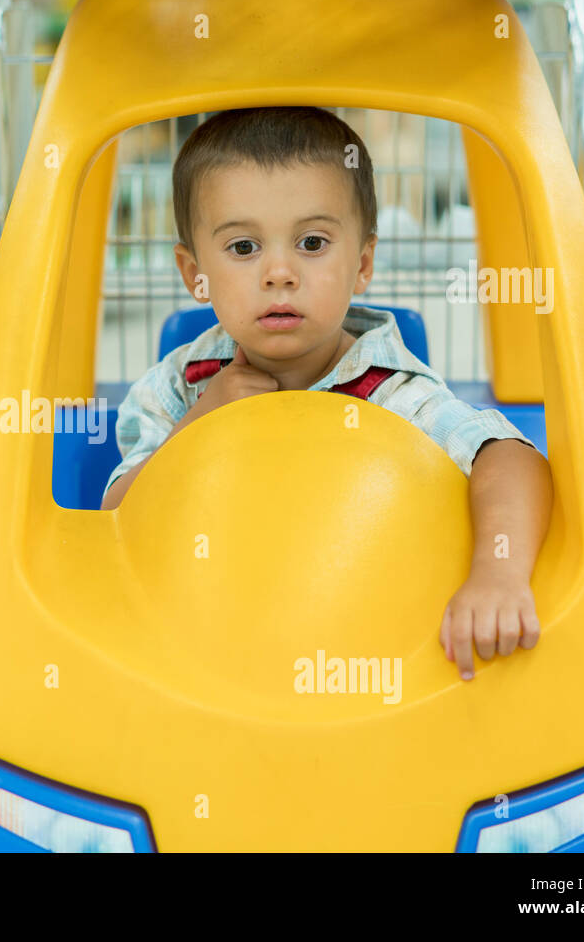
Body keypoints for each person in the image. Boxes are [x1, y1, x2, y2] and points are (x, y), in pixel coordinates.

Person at [99, 106, 553, 682]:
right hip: (211, 648)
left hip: (366, 643)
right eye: (244, 248)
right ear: (195, 275)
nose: (279, 273)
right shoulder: (177, 389)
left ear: (362, 263)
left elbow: (509, 455)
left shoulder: (389, 389)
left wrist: (498, 574)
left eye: (311, 243)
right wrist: (202, 425)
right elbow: (117, 519)